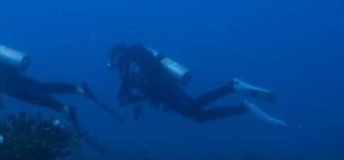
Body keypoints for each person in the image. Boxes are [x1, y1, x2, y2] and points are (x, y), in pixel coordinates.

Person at [108, 44, 286, 126]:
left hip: (166, 88)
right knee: (198, 117)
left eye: (113, 62)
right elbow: (143, 89)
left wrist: (129, 97)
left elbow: (133, 89)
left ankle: (232, 86)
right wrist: (158, 104)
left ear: (117, 56)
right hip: (163, 92)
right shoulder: (134, 62)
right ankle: (243, 108)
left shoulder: (129, 60)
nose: (113, 66)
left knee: (193, 108)